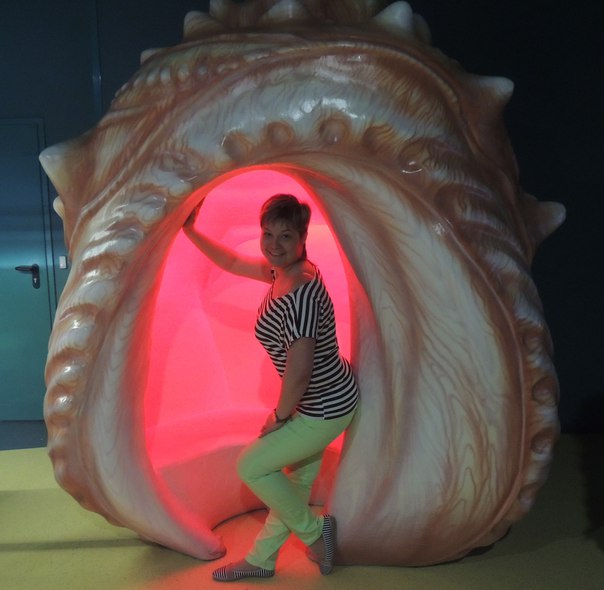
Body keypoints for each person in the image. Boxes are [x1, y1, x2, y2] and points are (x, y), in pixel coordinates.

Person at [183, 193, 359, 582]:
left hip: (324, 407)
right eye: (268, 234)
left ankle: (315, 536)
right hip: (321, 400)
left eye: (285, 236)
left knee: (252, 466)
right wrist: (190, 230)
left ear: (302, 238)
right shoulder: (284, 272)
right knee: (295, 483)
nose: (273, 245)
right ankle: (262, 559)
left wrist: (279, 417)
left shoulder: (301, 293)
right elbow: (232, 262)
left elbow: (299, 370)